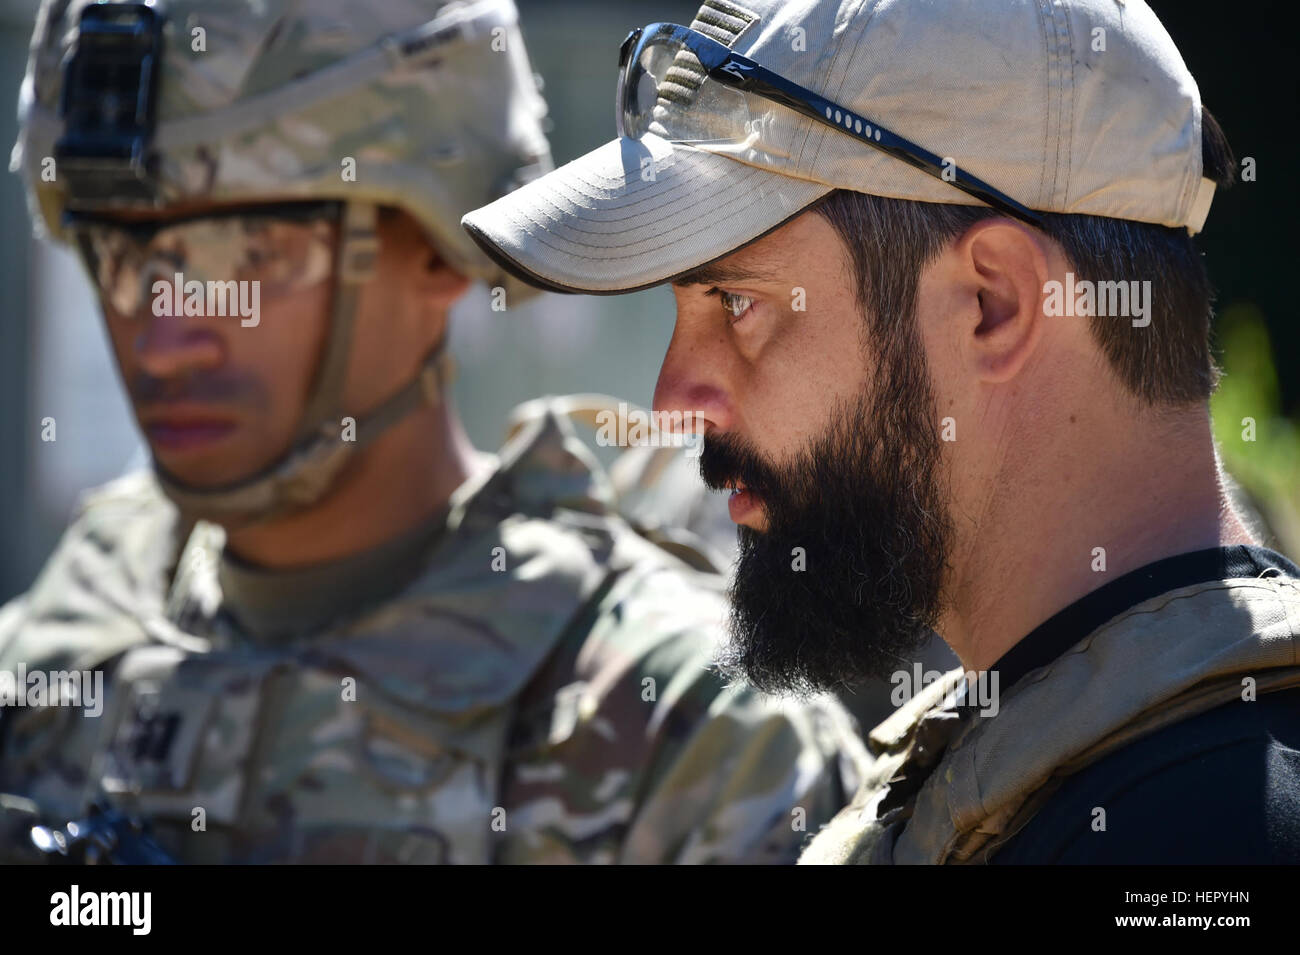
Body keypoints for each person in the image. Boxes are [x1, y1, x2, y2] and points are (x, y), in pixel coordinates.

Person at [0, 0, 865, 864]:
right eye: (121, 256)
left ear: (437, 244)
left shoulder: (694, 742)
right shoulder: (53, 647)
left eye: (250, 254)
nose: (164, 335)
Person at [462, 0, 1300, 863]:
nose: (675, 398)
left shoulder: (1215, 838)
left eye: (738, 302)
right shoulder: (1018, 773)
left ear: (994, 304)